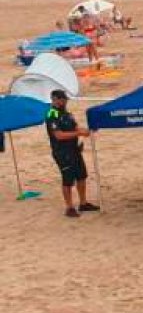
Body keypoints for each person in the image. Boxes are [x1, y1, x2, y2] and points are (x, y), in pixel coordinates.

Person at [45, 90, 98, 218]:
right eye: (62, 99)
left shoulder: (68, 114)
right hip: (62, 152)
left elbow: (75, 128)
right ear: (55, 99)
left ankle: (83, 203)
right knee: (68, 179)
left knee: (81, 175)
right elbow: (59, 135)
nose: (65, 101)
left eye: (65, 99)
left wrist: (88, 130)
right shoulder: (52, 114)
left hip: (74, 149)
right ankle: (69, 207)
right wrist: (79, 134)